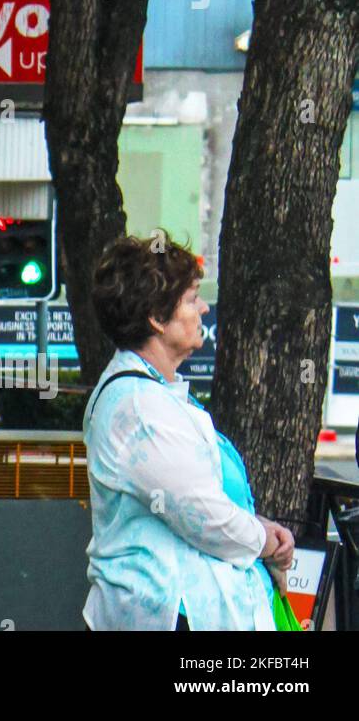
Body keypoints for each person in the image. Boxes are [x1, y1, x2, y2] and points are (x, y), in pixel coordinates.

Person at [83, 233, 295, 631]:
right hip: (166, 616)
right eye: (191, 298)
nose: (203, 307)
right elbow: (202, 515)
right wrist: (266, 541)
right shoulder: (140, 407)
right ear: (156, 318)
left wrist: (259, 530)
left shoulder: (156, 394)